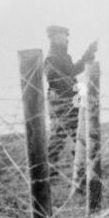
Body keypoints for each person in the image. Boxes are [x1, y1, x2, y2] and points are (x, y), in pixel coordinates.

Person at [44, 25, 98, 175]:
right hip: (60, 101)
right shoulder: (52, 58)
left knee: (76, 132)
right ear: (54, 37)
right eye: (64, 35)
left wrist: (89, 52)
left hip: (70, 99)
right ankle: (49, 169)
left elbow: (73, 71)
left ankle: (78, 165)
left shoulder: (62, 56)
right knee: (61, 135)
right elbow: (54, 79)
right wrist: (75, 88)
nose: (67, 39)